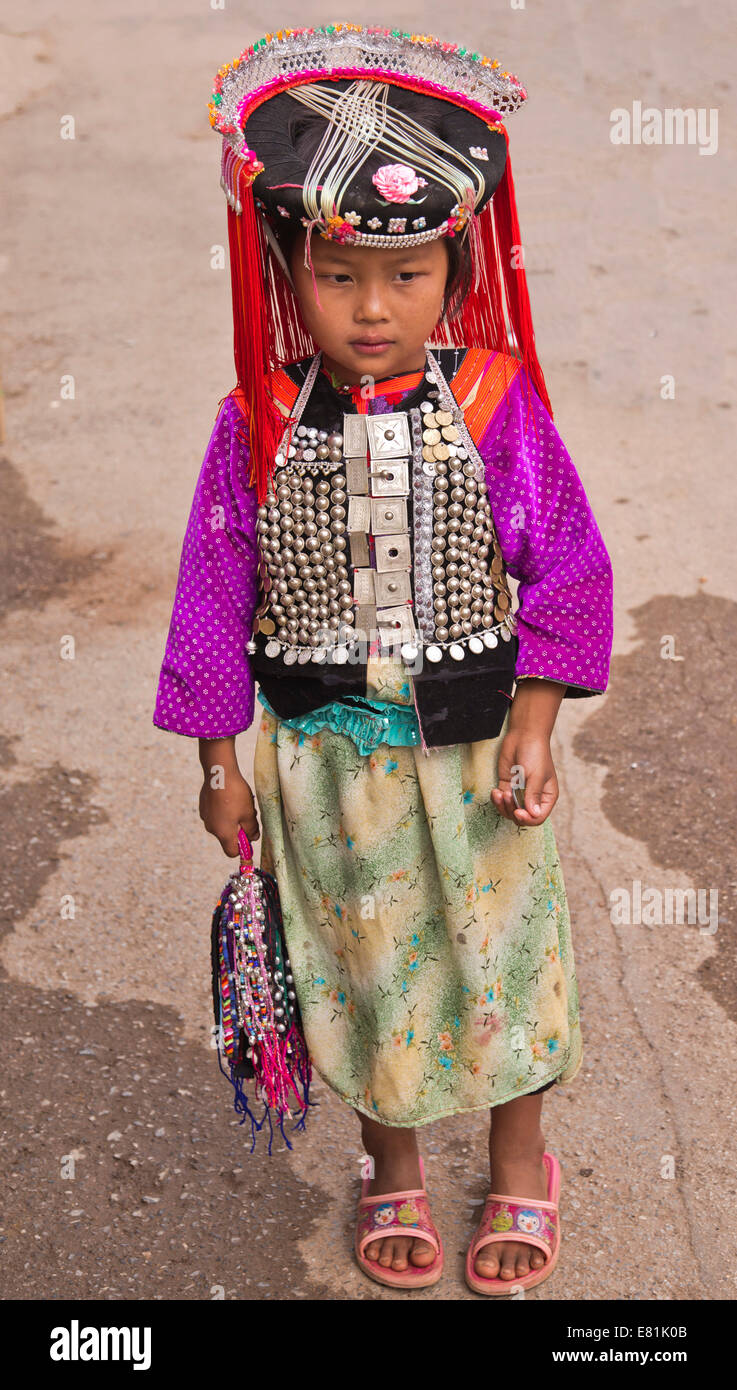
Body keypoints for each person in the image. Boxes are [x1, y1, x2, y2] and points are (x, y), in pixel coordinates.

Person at [153, 24, 613, 1295]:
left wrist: (536, 714)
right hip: (323, 761)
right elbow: (209, 599)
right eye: (339, 276)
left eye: (406, 275)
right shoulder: (252, 426)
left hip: (475, 754)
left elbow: (566, 565)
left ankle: (521, 1163)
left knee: (500, 947)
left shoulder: (496, 407)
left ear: (449, 272)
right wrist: (218, 759)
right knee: (359, 956)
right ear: (285, 276)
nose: (371, 308)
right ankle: (389, 1160)